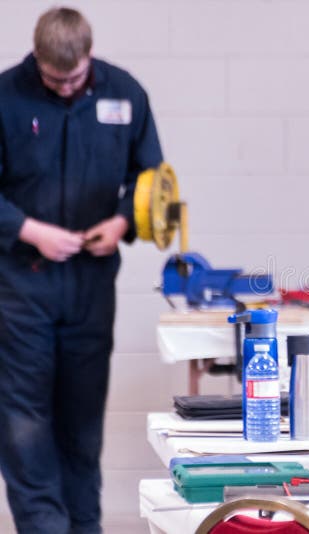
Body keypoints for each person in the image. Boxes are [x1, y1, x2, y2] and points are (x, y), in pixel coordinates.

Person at [0, 7, 163, 533]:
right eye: (53, 79)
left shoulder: (126, 94)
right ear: (37, 59)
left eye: (73, 78)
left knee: (83, 424)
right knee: (25, 424)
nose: (65, 88)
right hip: (21, 287)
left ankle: (83, 527)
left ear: (88, 56)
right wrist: (30, 230)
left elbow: (150, 179)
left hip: (91, 286)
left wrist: (121, 222)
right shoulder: (5, 96)